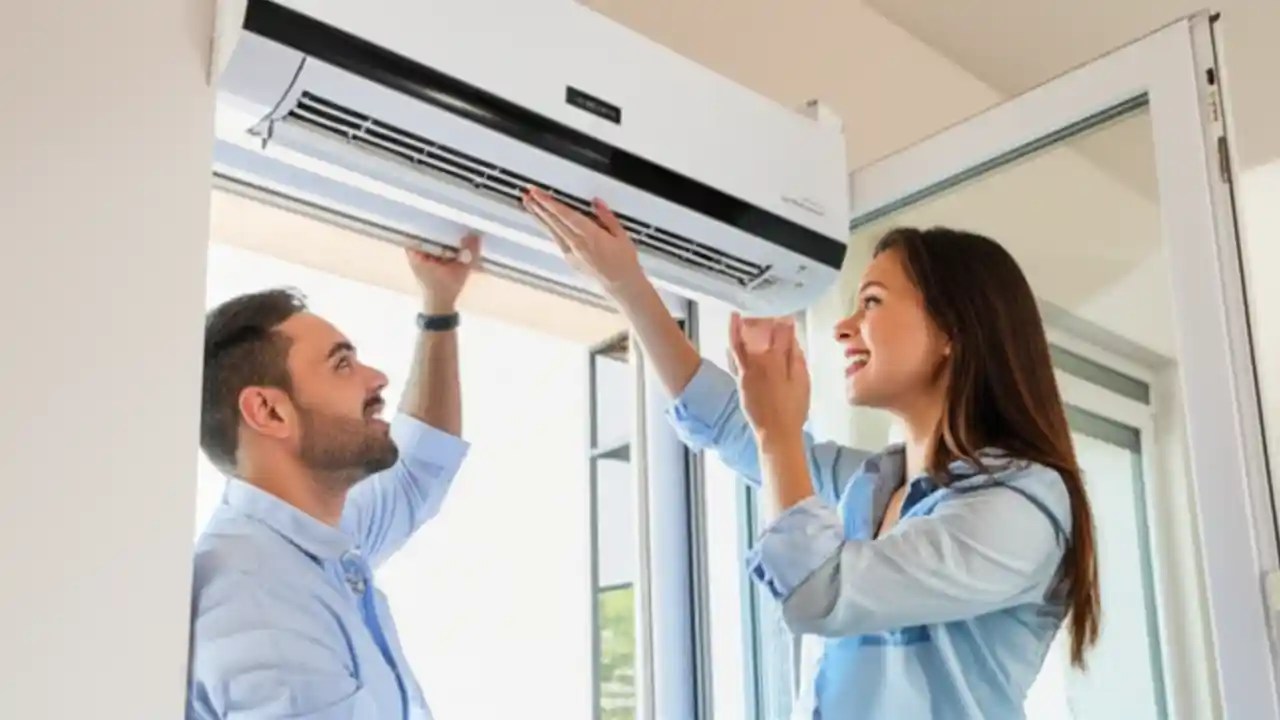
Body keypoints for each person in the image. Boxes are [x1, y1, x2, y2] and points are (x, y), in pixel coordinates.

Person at [523, 188, 1099, 719]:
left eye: (871, 303)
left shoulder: (1019, 509)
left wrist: (779, 430)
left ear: (953, 330)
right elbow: (727, 424)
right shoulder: (870, 487)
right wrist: (629, 287)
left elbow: (820, 591)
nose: (844, 328)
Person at [186, 235, 480, 719]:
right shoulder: (260, 611)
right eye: (342, 364)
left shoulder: (313, 539)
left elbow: (418, 471)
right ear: (269, 412)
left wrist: (439, 308)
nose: (376, 378)